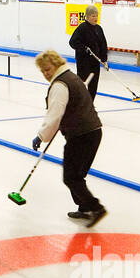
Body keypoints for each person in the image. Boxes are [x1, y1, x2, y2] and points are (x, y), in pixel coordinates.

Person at [32, 50, 107, 227]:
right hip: (93, 131)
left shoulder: (60, 85)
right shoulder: (71, 77)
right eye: (42, 71)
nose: (46, 74)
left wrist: (41, 136)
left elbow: (54, 115)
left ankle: (96, 208)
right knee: (77, 175)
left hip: (81, 135)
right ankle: (84, 207)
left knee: (71, 177)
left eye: (48, 69)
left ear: (56, 64)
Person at [68, 4, 108, 100]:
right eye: (93, 16)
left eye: (96, 15)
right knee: (82, 84)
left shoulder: (99, 28)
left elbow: (103, 45)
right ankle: (79, 104)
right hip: (84, 62)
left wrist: (104, 60)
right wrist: (84, 49)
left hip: (95, 62)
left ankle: (90, 105)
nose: (95, 18)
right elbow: (73, 42)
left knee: (93, 85)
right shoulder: (82, 28)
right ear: (87, 16)